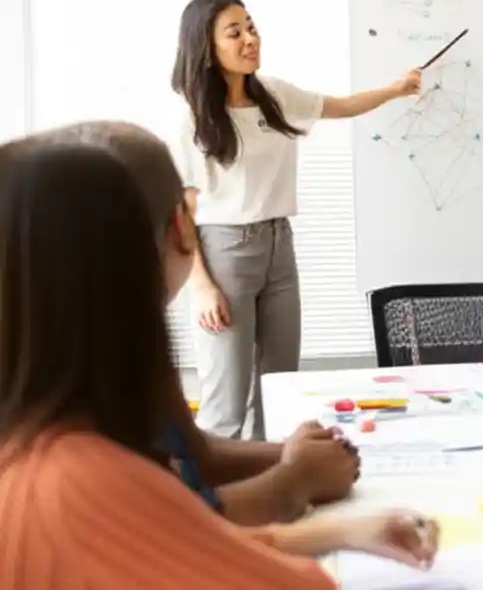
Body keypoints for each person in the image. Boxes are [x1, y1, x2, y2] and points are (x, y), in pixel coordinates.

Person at [0, 142, 439, 588]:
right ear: (182, 227)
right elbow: (211, 545)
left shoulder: (43, 439)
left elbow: (178, 536)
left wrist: (337, 529)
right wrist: (296, 479)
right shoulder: (78, 479)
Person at [27, 120, 359, 525]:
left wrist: (295, 453)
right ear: (183, 228)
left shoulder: (130, 343)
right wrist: (295, 479)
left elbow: (194, 453)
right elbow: (163, 522)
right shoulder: (79, 385)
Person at [168, 0, 423, 440]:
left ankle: (271, 477)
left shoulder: (274, 96)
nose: (250, 39)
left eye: (251, 27)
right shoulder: (192, 119)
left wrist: (397, 89)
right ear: (206, 48)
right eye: (234, 33)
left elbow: (341, 106)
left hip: (278, 247)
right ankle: (205, 484)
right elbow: (181, 214)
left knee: (278, 388)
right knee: (226, 404)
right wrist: (203, 288)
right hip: (225, 253)